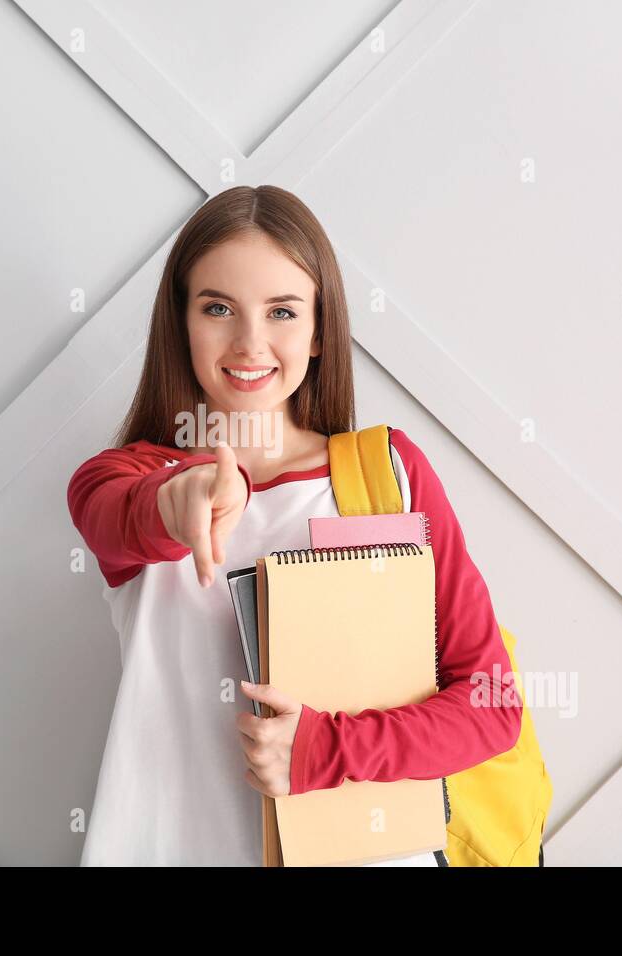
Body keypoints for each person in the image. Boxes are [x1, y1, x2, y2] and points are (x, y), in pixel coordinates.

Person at [67, 185, 520, 866]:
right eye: (217, 307)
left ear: (317, 332)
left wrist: (324, 749)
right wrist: (184, 495)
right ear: (180, 323)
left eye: (282, 311)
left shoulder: (388, 475)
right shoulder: (123, 479)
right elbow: (119, 519)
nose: (250, 342)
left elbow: (491, 705)